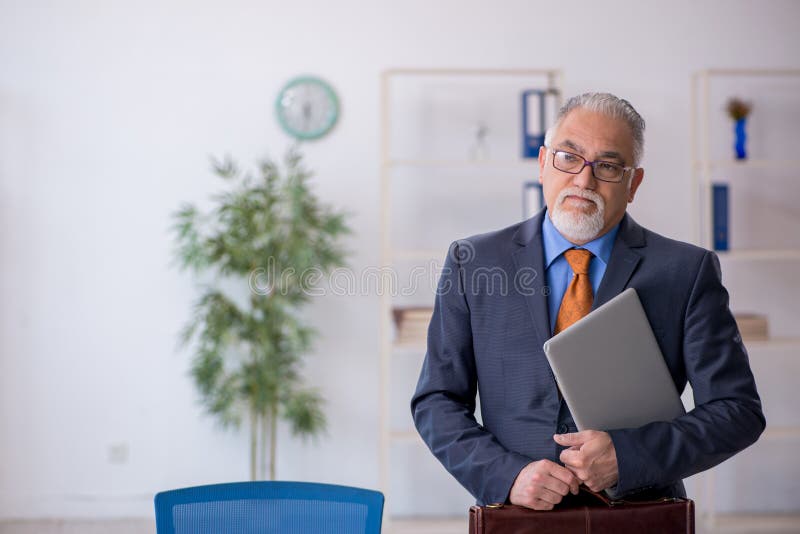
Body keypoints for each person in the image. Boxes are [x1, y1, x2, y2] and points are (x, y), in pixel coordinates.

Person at [410, 92, 765, 510]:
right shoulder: (473, 262)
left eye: (609, 166)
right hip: (517, 515)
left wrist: (629, 456)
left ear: (633, 184)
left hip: (641, 514)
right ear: (543, 163)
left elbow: (737, 410)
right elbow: (437, 401)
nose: (583, 180)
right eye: (568, 157)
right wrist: (506, 475)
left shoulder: (686, 271)